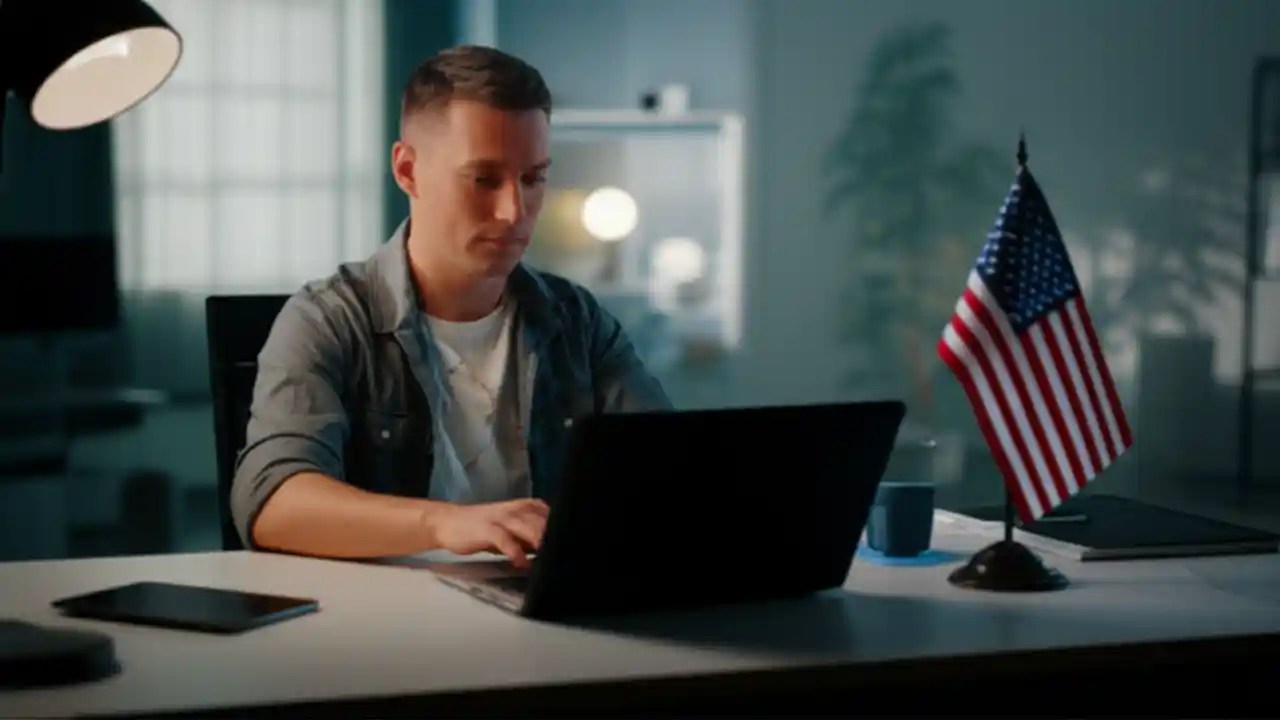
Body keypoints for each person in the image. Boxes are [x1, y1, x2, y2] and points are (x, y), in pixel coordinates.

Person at [230, 45, 671, 567]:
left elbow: (668, 472)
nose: (514, 211)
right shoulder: (328, 319)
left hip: (546, 621)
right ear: (408, 171)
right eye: (483, 179)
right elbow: (273, 504)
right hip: (381, 631)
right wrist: (446, 523)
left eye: (533, 179)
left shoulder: (579, 321)